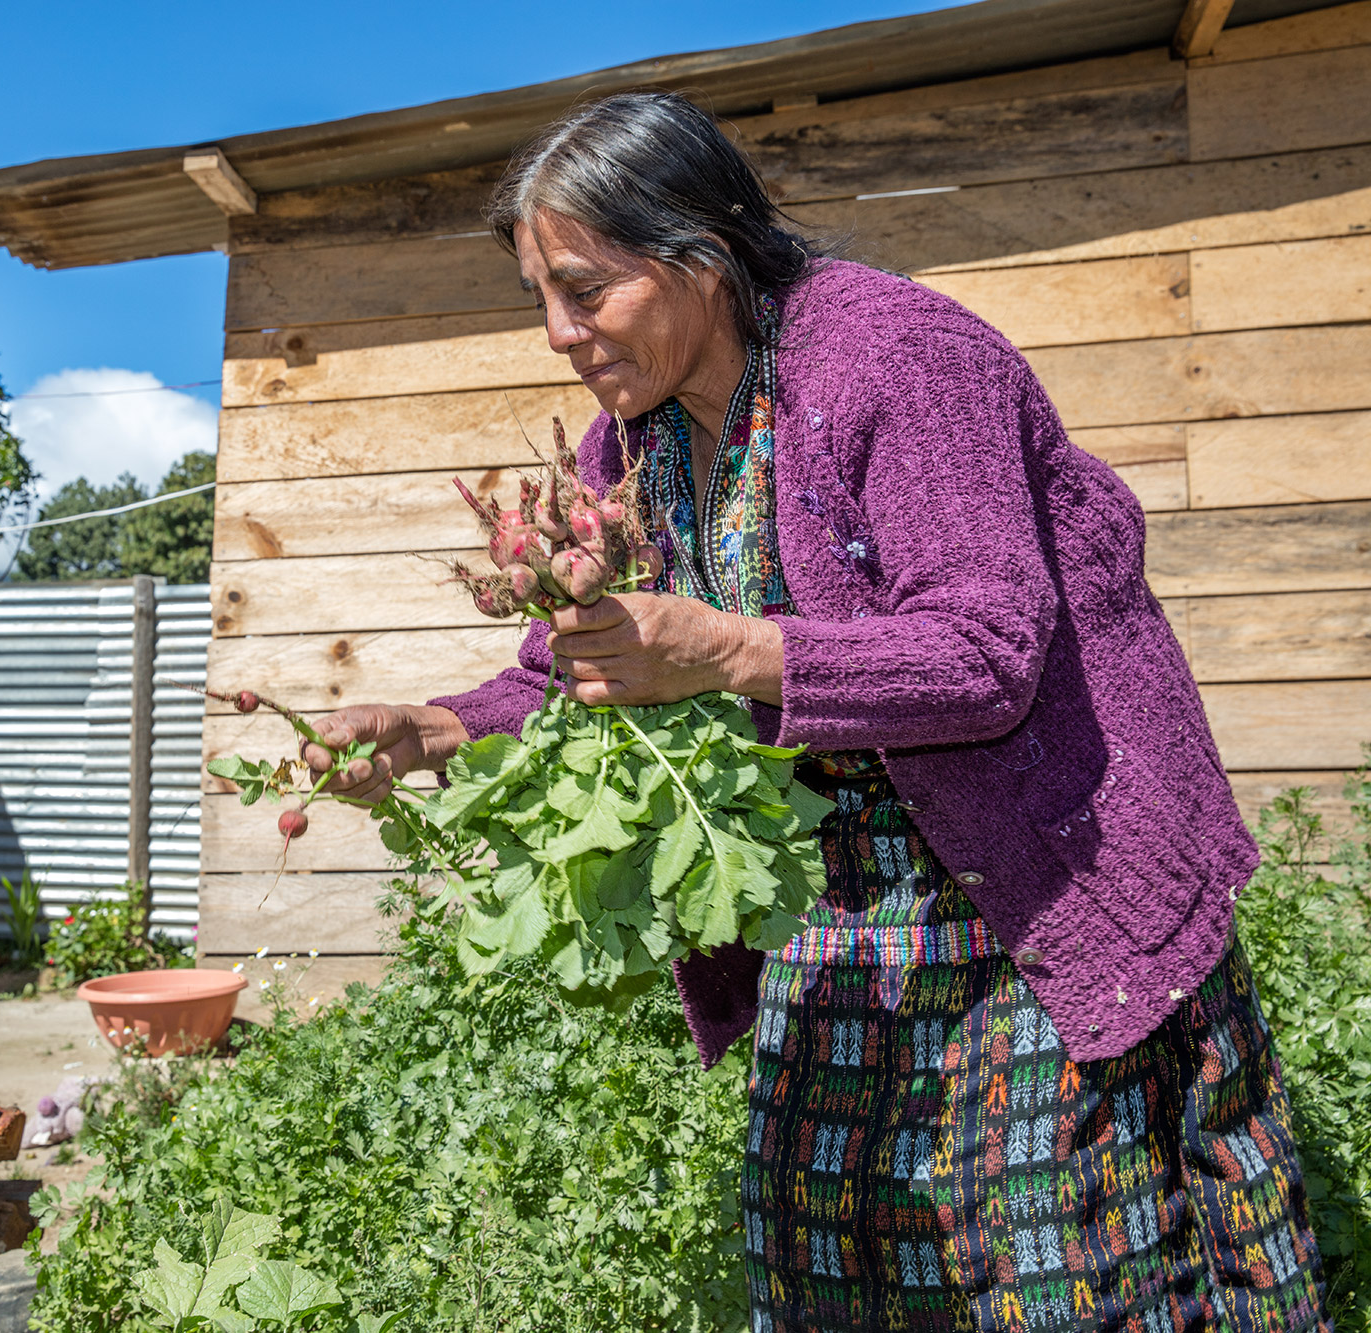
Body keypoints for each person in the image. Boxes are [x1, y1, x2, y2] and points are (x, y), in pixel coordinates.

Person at [301, 92, 1329, 1333]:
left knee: (1062, 1268)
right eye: (539, 296)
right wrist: (438, 728)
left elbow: (987, 652)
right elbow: (580, 662)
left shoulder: (896, 360)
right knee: (823, 1262)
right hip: (837, 926)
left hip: (1037, 892)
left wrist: (730, 648)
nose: (558, 333)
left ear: (699, 251)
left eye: (584, 289)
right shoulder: (625, 449)